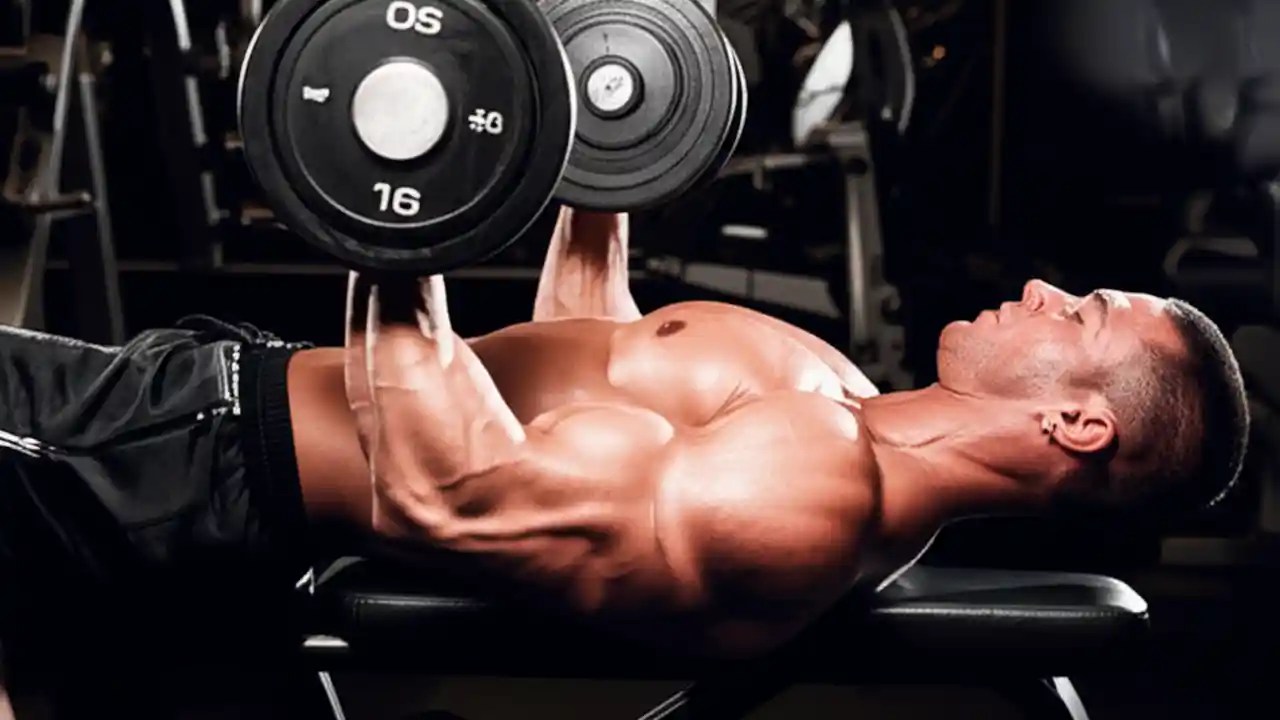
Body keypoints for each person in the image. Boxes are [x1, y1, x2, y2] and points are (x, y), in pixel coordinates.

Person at [0, 209, 1249, 666]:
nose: (1039, 292)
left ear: (1077, 422)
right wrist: (600, 176)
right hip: (199, 399)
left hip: (177, 472)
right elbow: (582, 368)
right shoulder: (832, 400)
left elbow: (463, 491)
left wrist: (397, 232)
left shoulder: (806, 499)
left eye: (1075, 311)